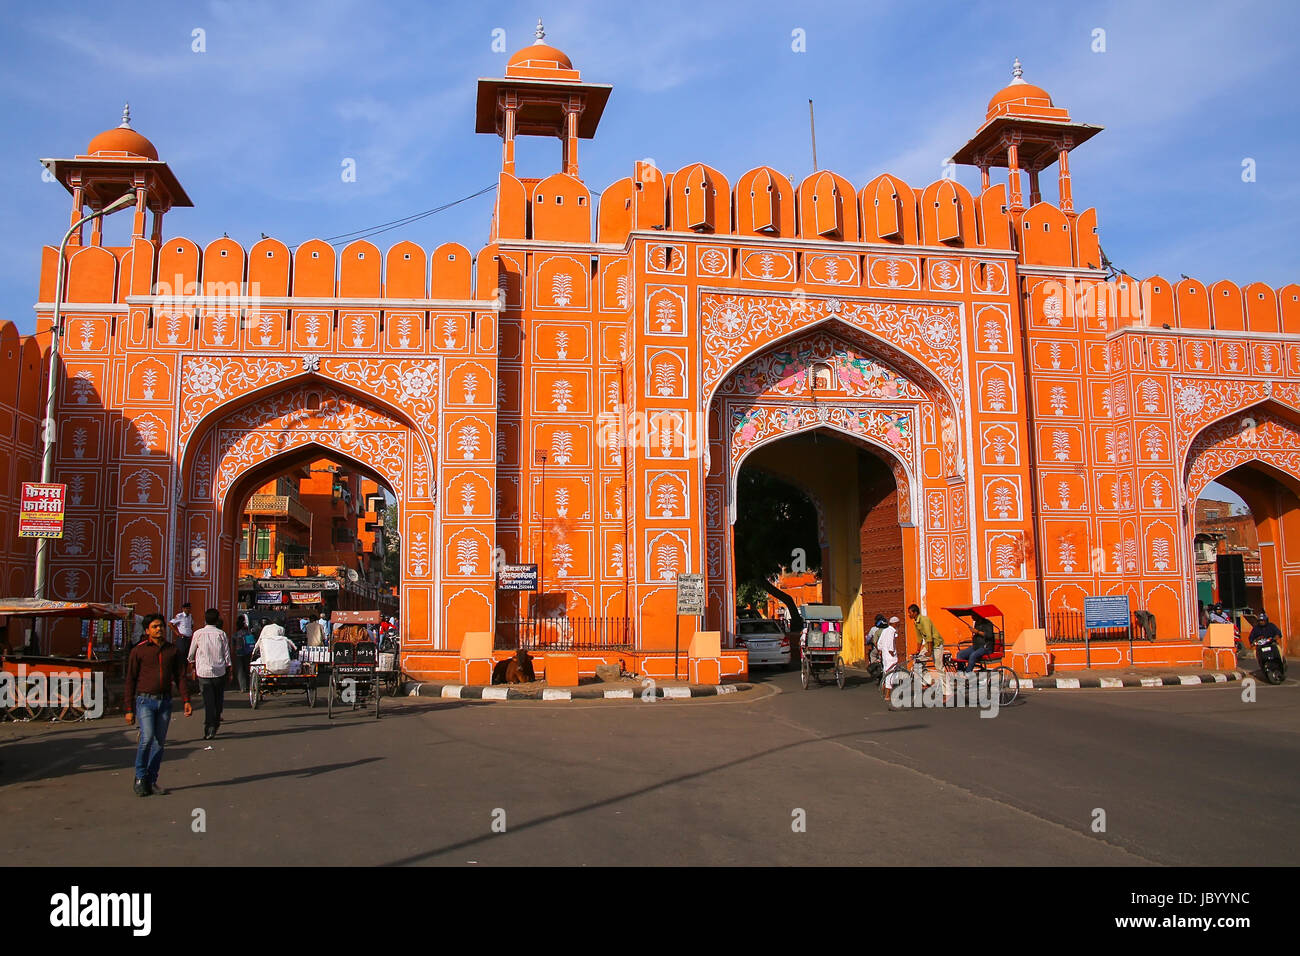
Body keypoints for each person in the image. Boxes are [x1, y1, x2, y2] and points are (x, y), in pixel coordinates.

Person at [124, 613, 193, 796]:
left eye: (161, 626)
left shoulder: (172, 651)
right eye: (154, 627)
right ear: (147, 631)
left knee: (159, 743)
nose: (159, 629)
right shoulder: (138, 651)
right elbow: (130, 679)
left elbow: (180, 676)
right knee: (147, 738)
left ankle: (151, 780)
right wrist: (129, 709)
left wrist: (186, 700)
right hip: (145, 701)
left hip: (165, 701)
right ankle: (140, 777)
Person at [189, 608, 231, 740]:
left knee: (208, 702)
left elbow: (191, 653)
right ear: (217, 619)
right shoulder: (221, 634)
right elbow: (226, 654)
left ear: (205, 619)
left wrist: (192, 665)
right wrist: (229, 669)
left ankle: (209, 727)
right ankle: (216, 721)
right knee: (218, 699)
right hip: (219, 671)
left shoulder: (198, 633)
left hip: (203, 672)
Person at [169, 602, 194, 686]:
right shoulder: (180, 616)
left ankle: (184, 675)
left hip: (188, 638)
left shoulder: (190, 616)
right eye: (186, 608)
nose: (188, 610)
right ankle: (179, 676)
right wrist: (177, 633)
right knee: (181, 657)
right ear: (183, 609)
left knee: (187, 657)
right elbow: (170, 624)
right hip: (182, 639)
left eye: (189, 608)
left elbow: (191, 625)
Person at [232, 616, 253, 693]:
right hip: (248, 652)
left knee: (240, 671)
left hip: (239, 653)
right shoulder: (248, 633)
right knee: (248, 669)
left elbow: (233, 644)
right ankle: (249, 685)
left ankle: (242, 687)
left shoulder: (236, 634)